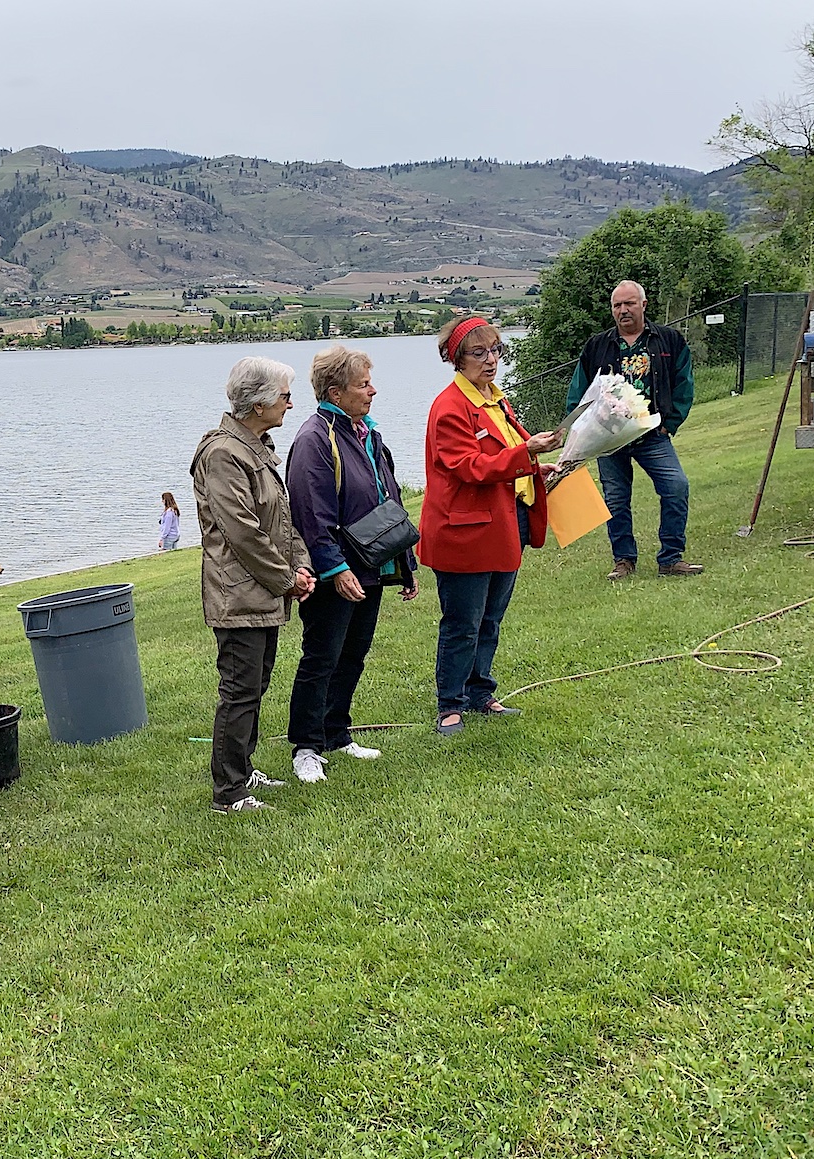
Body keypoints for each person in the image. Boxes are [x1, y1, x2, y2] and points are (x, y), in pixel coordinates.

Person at [284, 344, 418, 783]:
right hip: (335, 572)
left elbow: (388, 498)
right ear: (336, 393)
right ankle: (306, 746)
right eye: (364, 384)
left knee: (354, 653)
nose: (373, 391)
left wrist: (404, 562)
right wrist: (334, 569)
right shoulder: (313, 439)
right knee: (322, 654)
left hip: (373, 565)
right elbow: (311, 513)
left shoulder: (368, 434)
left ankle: (337, 733)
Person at [420, 317, 559, 736]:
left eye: (495, 350)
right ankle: (450, 705)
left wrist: (535, 465)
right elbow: (468, 467)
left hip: (502, 522)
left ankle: (480, 694)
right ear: (456, 359)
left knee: (491, 618)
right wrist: (525, 454)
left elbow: (507, 454)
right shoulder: (450, 407)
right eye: (478, 353)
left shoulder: (494, 400)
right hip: (464, 531)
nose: (491, 360)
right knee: (463, 621)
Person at [190, 357, 316, 813]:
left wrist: (299, 564)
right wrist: (287, 579)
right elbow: (242, 531)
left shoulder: (256, 447)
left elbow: (280, 519)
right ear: (259, 401)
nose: (290, 403)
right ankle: (229, 793)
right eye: (284, 395)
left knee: (256, 685)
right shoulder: (224, 453)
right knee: (240, 691)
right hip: (238, 593)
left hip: (261, 590)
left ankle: (242, 767)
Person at [565, 279, 702, 579]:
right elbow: (578, 392)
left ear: (643, 304)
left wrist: (670, 424)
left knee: (676, 487)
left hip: (653, 436)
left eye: (629, 303)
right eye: (617, 305)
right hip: (608, 440)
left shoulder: (669, 340)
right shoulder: (596, 346)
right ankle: (623, 561)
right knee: (615, 498)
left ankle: (670, 558)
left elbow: (684, 384)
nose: (623, 310)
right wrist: (580, 431)